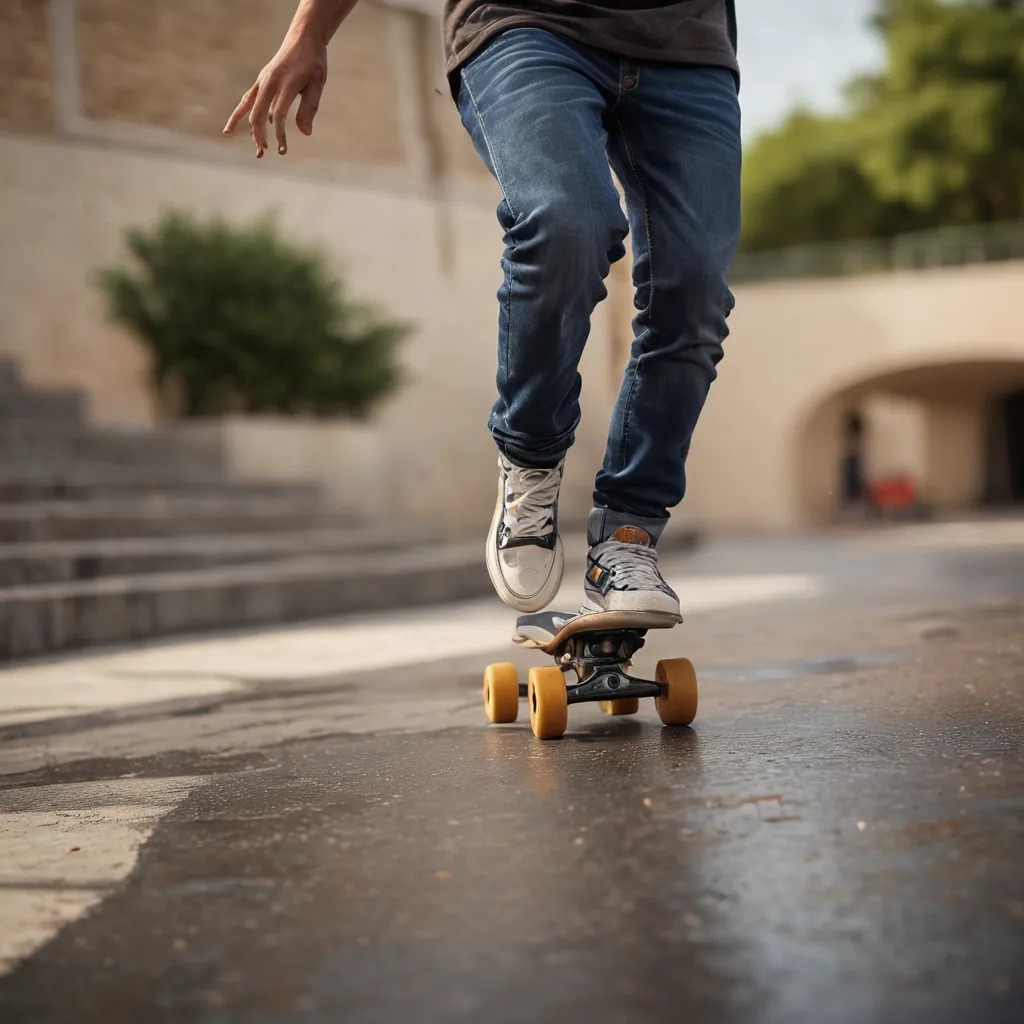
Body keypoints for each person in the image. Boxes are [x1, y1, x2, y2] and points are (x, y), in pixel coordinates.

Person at [225, 0, 742, 618]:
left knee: (695, 292)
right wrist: (309, 32)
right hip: (526, 22)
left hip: (687, 46)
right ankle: (530, 461)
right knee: (565, 224)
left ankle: (628, 532)